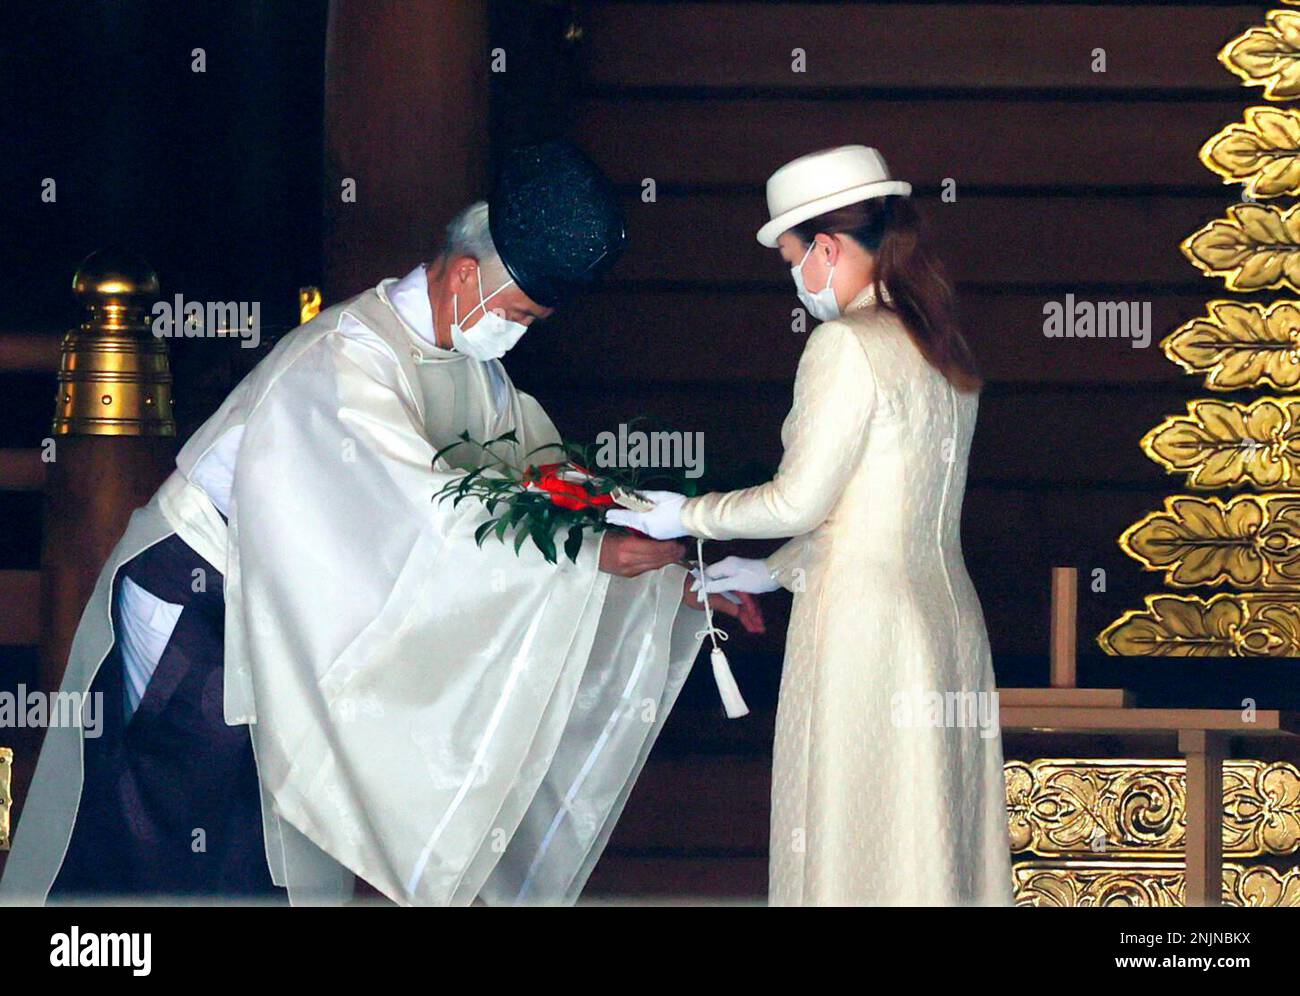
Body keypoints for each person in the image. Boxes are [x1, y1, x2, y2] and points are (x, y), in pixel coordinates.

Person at [2, 140, 761, 906]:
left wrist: (670, 573)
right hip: (203, 587)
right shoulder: (344, 360)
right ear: (464, 275)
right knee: (175, 819)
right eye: (518, 314)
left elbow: (549, 489)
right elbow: (430, 512)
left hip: (284, 611)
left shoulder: (482, 380)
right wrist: (594, 558)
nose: (517, 332)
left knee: (267, 839)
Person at [607, 145, 1013, 906]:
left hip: (866, 630)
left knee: (853, 840)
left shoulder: (846, 343)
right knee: (930, 836)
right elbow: (875, 504)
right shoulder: (937, 342)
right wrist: (773, 569)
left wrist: (685, 513)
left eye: (794, 259)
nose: (795, 278)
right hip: (946, 620)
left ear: (826, 248)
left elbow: (798, 501)